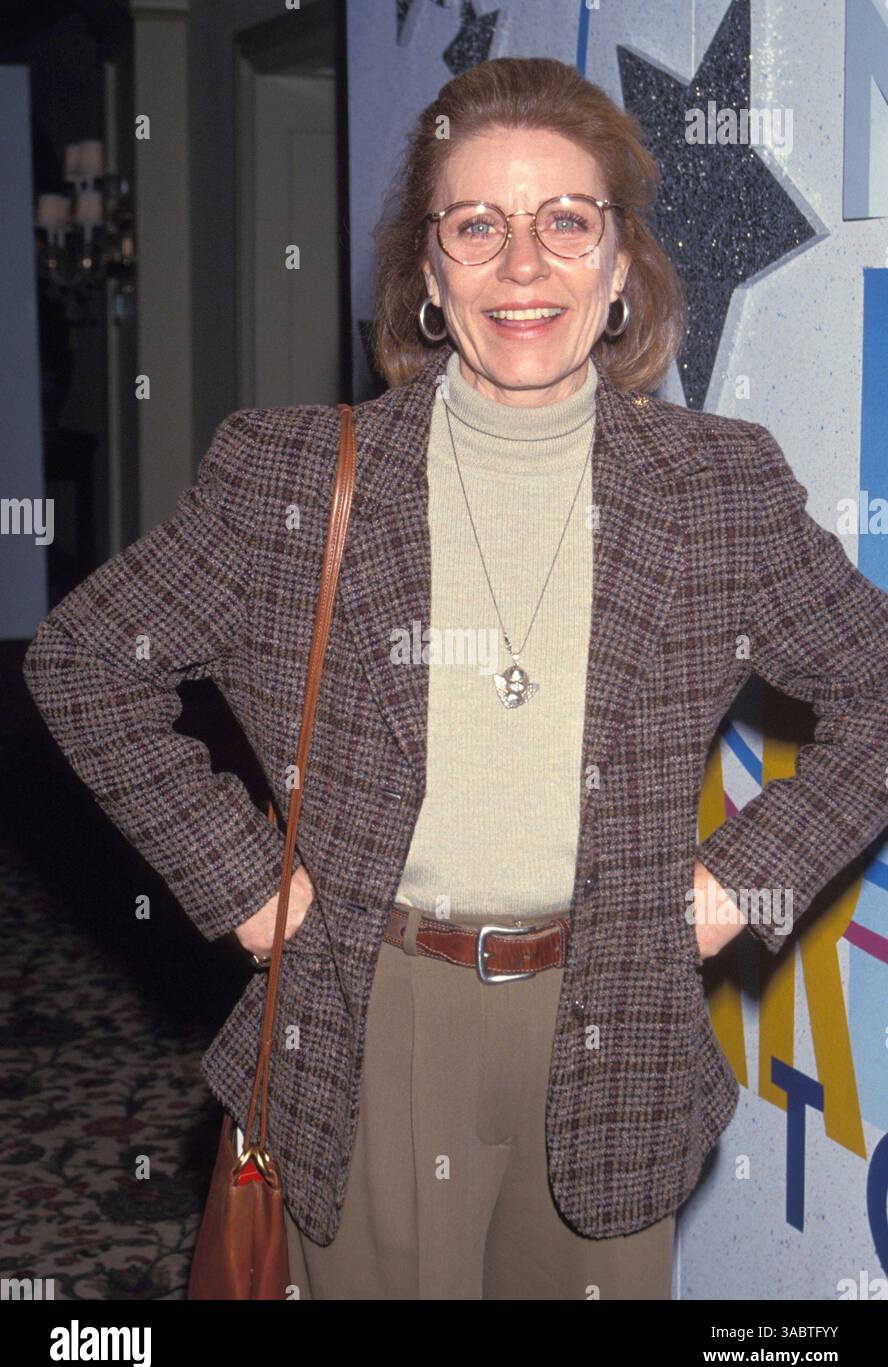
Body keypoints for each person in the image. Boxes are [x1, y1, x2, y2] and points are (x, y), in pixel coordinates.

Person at [22, 57, 888, 1301]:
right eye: (477, 226)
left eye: (564, 223)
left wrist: (744, 881)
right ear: (430, 277)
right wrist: (246, 887)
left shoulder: (721, 488)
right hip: (379, 1013)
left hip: (617, 1018)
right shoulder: (289, 479)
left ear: (619, 265)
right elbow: (88, 660)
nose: (522, 266)